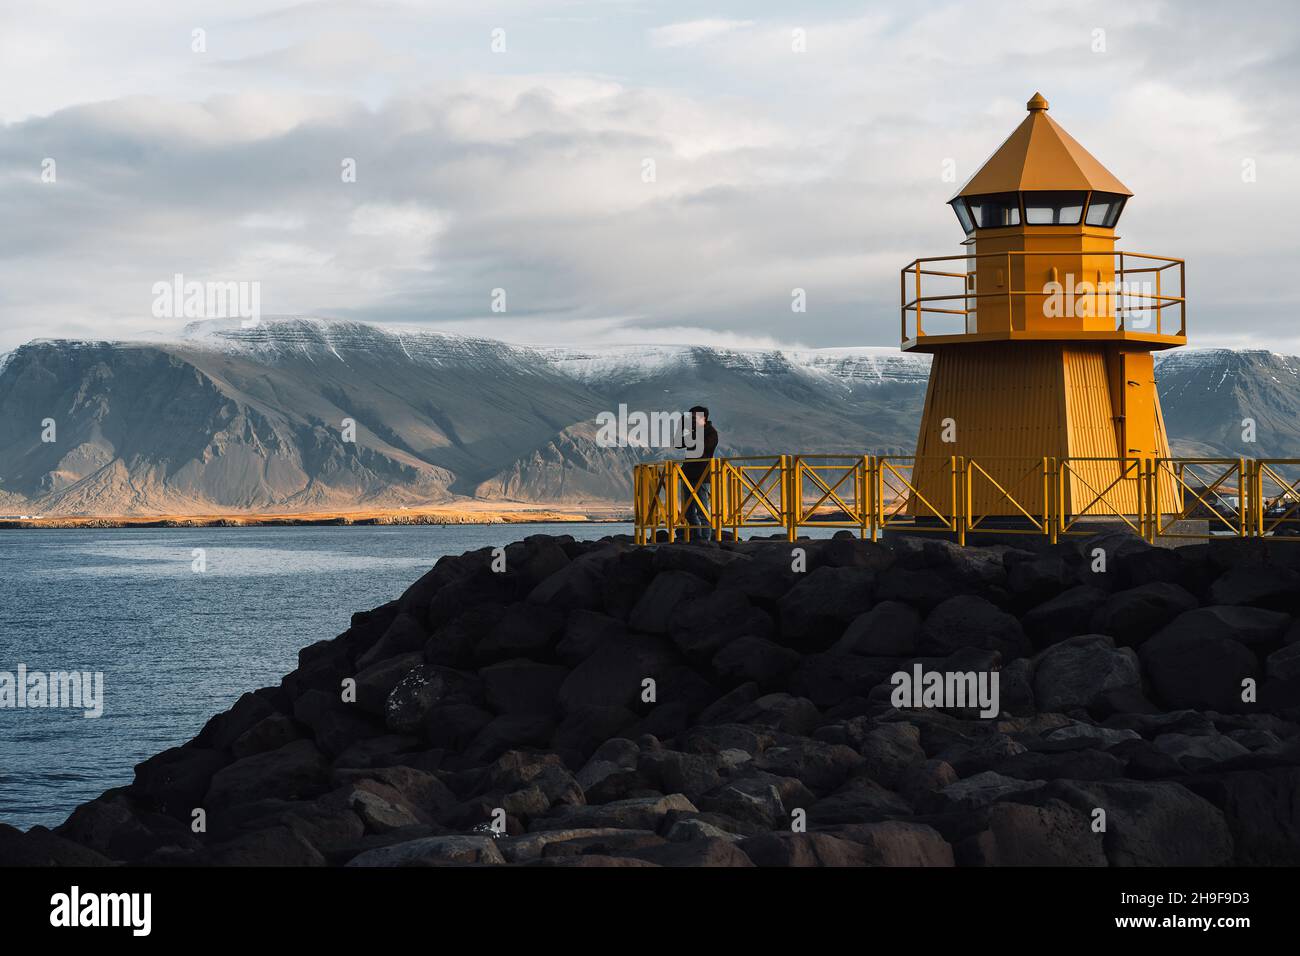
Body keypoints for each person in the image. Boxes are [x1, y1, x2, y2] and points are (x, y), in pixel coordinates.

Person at [679, 405, 718, 542]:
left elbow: (702, 447)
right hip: (688, 474)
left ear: (704, 418)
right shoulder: (694, 432)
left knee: (702, 510)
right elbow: (678, 443)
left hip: (702, 474)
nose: (692, 420)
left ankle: (706, 539)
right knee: (688, 512)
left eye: (694, 418)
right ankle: (697, 537)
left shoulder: (711, 433)